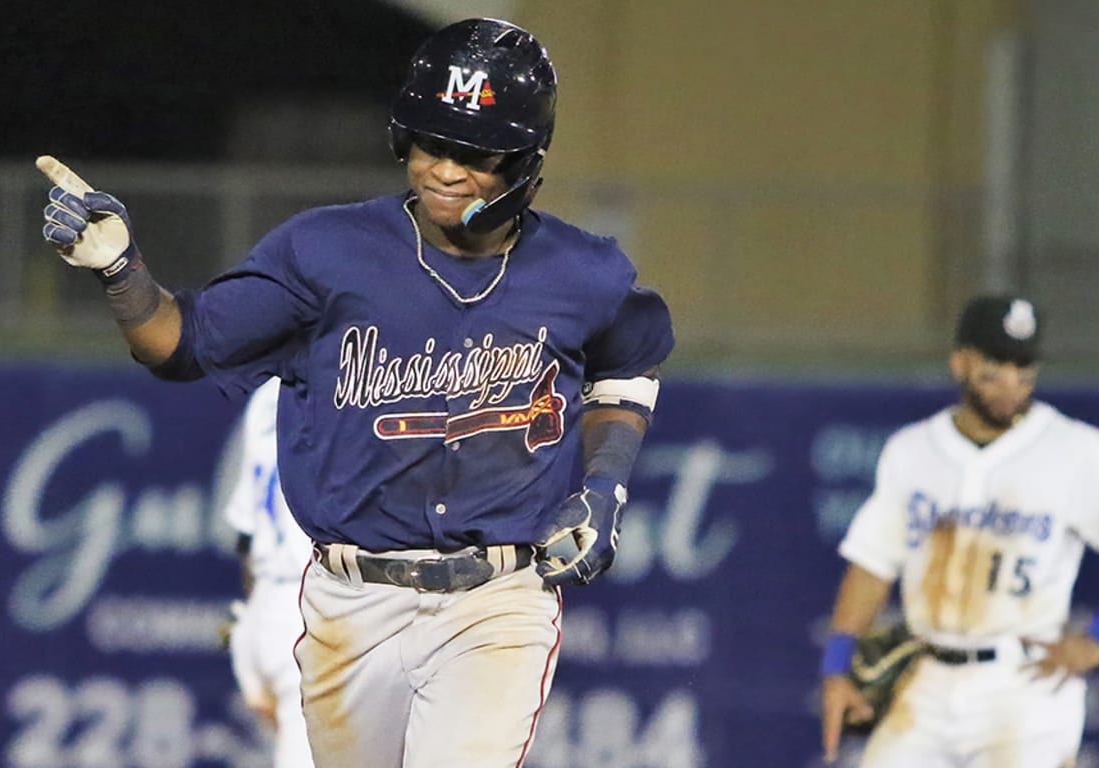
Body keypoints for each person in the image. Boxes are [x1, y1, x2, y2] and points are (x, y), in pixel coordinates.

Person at [37, 17, 674, 767]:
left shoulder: (581, 271)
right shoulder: (328, 251)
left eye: (474, 153)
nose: (443, 168)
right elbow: (180, 346)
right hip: (351, 598)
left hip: (497, 597)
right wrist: (121, 272)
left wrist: (606, 486)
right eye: (431, 142)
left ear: (527, 161)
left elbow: (629, 362)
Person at [818, 295, 1099, 767]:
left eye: (1023, 370)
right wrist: (835, 669)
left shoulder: (1072, 448)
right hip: (924, 678)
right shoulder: (912, 451)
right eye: (995, 369)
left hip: (1023, 683)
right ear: (960, 363)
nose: (1011, 385)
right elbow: (871, 564)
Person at [219, 377, 316, 768]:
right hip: (312, 612)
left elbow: (245, 536)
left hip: (266, 607)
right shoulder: (352, 384)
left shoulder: (267, 393)